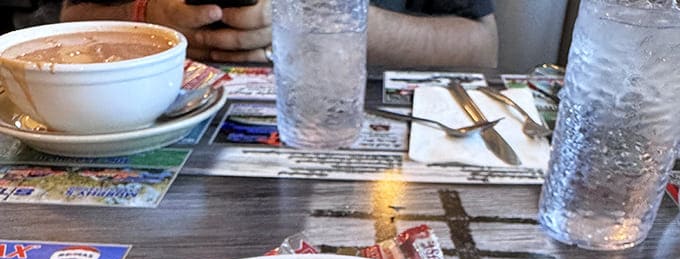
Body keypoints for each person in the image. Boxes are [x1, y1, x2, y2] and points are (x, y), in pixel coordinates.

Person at [57, 0, 497, 70]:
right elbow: (70, 16)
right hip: (148, 126)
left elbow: (479, 46)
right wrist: (144, 16)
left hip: (347, 135)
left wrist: (329, 16)